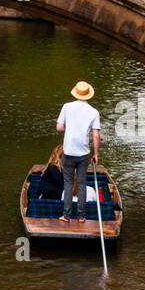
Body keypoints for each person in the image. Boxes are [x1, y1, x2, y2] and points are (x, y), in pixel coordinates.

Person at [55, 81, 102, 224]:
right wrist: (96, 154)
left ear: (76, 92)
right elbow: (96, 135)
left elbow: (59, 128)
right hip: (83, 153)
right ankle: (82, 217)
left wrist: (69, 127)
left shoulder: (67, 107)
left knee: (68, 183)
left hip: (69, 151)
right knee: (82, 184)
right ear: (88, 95)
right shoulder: (94, 112)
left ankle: (66, 216)